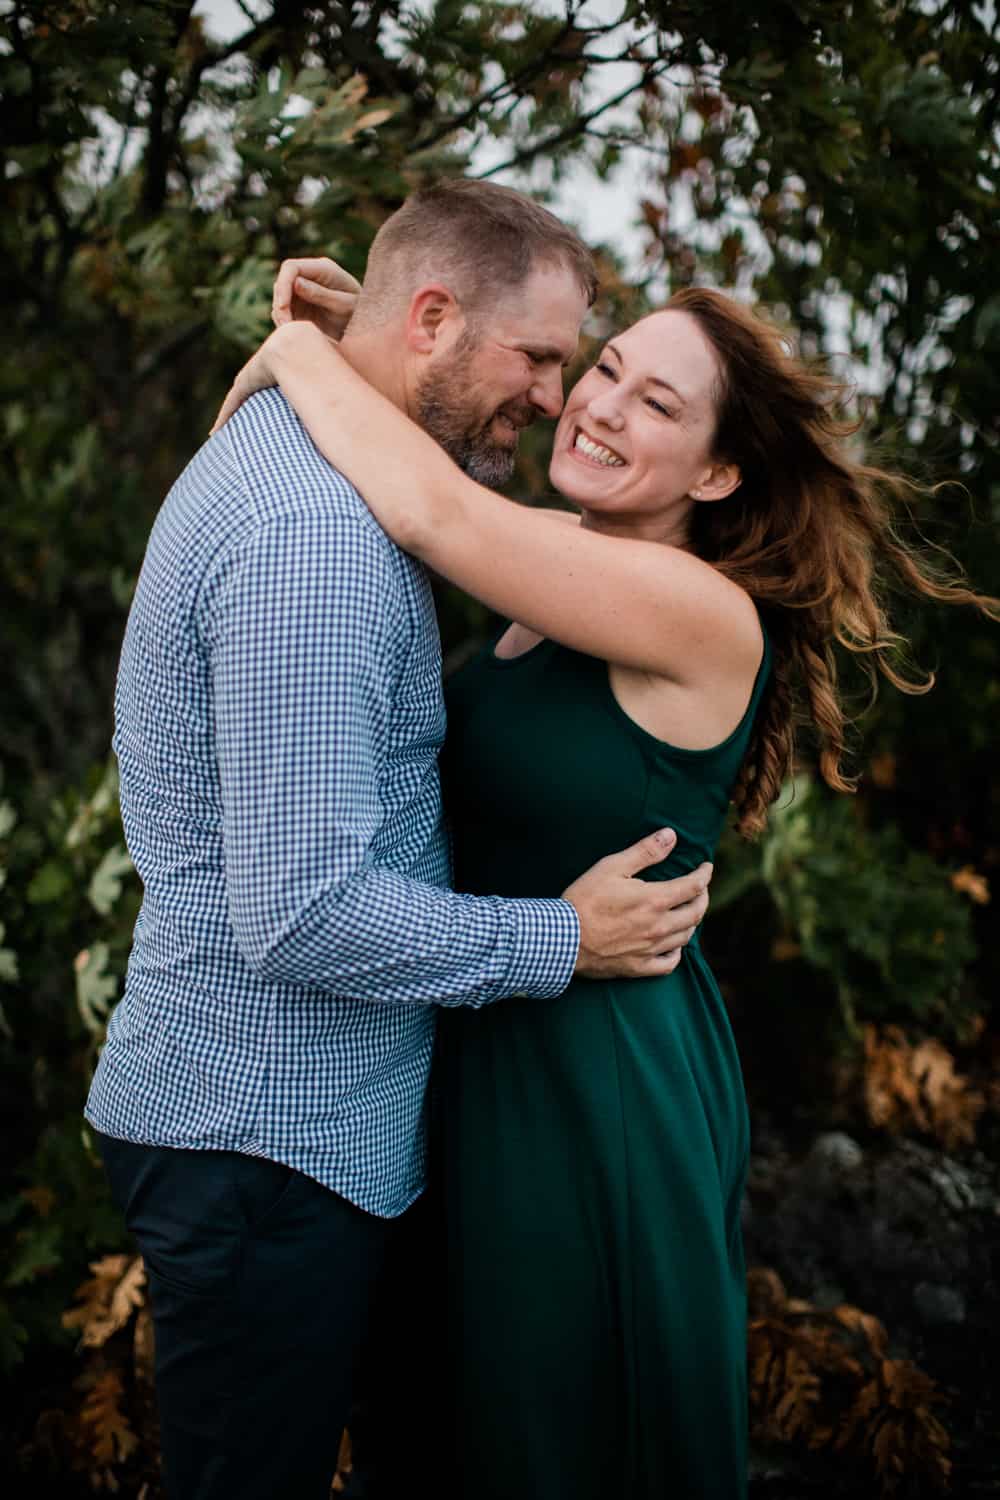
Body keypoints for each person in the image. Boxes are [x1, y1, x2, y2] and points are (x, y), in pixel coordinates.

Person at [213, 259, 999, 1499]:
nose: (598, 405)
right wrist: (376, 334)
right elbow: (437, 452)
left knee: (566, 1434)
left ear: (719, 473)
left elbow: (432, 512)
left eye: (657, 407)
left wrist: (298, 359)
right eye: (607, 368)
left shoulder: (695, 609)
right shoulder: (555, 565)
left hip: (600, 1072)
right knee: (463, 1432)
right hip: (487, 1039)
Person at [84, 180, 715, 1500]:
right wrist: (564, 937)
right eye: (547, 360)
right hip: (265, 1142)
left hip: (310, 1133)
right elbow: (304, 911)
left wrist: (318, 347)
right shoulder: (314, 535)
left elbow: (450, 506)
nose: (558, 401)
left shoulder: (355, 476)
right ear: (431, 317)